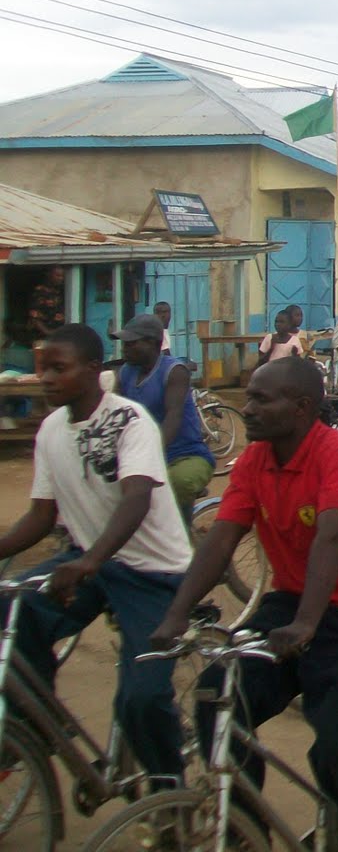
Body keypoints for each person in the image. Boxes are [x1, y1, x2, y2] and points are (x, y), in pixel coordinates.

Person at [151, 357, 338, 852]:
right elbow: (221, 539)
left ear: (300, 408)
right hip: (294, 604)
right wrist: (176, 612)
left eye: (259, 399)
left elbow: (331, 538)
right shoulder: (255, 460)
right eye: (248, 397)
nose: (246, 409)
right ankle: (246, 831)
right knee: (217, 701)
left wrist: (308, 624)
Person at [0, 324, 190, 786]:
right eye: (44, 368)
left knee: (141, 700)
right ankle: (40, 722)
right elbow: (40, 518)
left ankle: (171, 794)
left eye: (58, 369)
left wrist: (89, 561)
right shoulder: (50, 431)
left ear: (91, 371)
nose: (45, 378)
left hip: (154, 574)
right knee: (11, 608)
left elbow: (136, 498)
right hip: (97, 565)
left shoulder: (130, 420)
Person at [113, 313, 215, 531]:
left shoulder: (174, 371)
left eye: (131, 343)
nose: (125, 349)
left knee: (174, 485)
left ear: (152, 343)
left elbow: (173, 418)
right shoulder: (125, 373)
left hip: (185, 455)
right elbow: (116, 418)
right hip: (141, 456)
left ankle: (184, 546)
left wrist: (146, 456)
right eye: (124, 344)